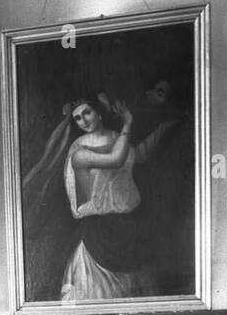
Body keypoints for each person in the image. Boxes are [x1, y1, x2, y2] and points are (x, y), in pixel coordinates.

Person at [23, 92, 178, 301]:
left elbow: (137, 155)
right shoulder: (79, 152)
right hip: (99, 235)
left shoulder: (116, 138)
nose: (84, 120)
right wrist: (128, 124)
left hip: (129, 228)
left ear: (99, 114)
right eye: (78, 117)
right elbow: (116, 159)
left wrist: (162, 129)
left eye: (87, 112)